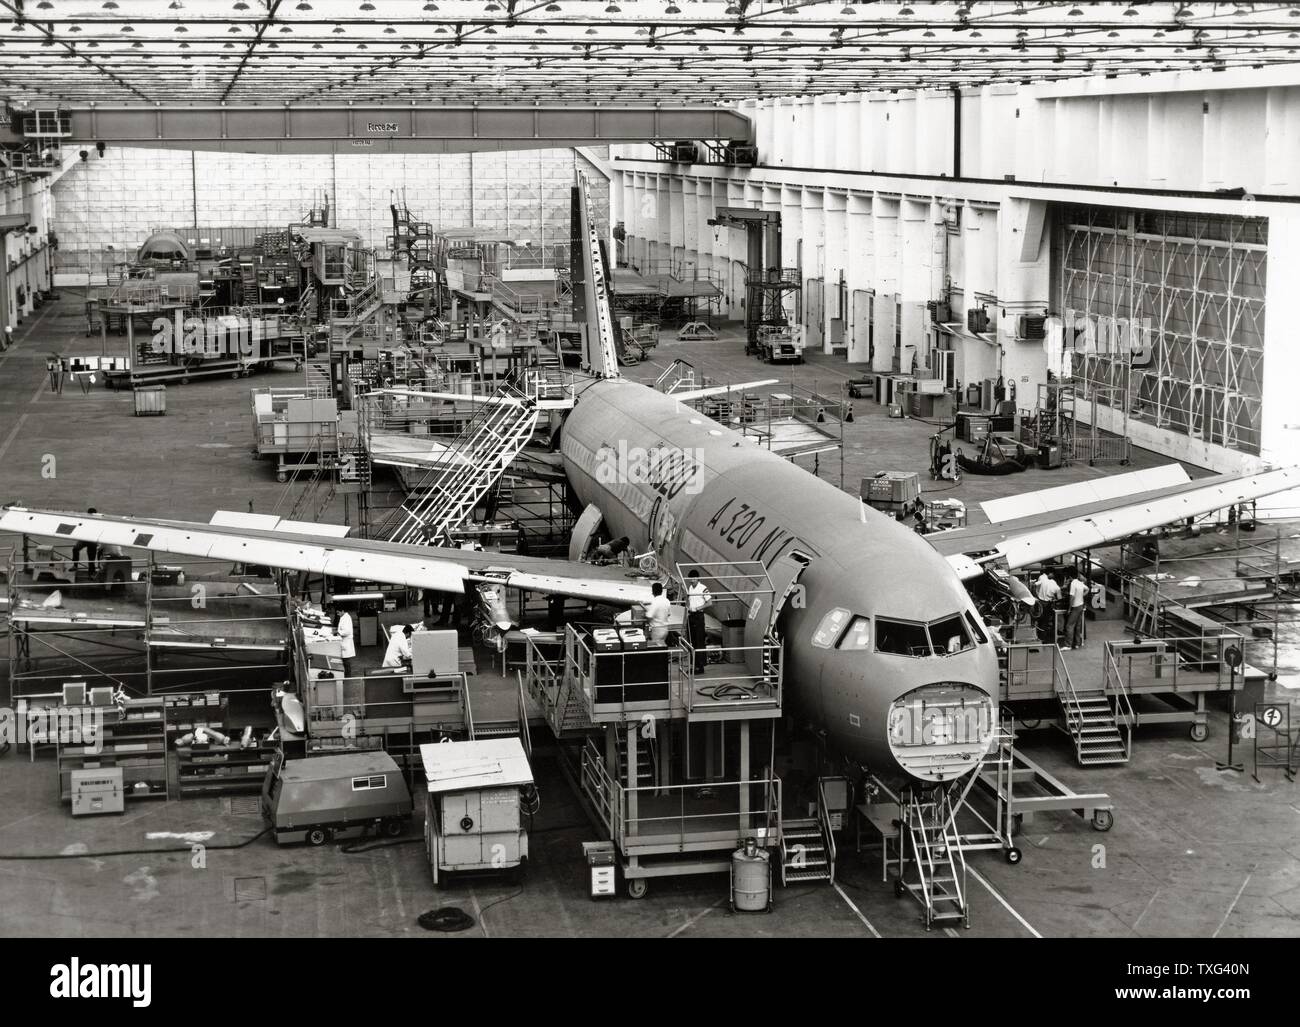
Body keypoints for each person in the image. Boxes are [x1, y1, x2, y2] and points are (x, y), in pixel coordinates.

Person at [684, 570, 712, 673]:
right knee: (692, 641)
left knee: (699, 640)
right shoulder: (690, 588)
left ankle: (700, 666)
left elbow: (710, 603)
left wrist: (698, 607)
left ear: (698, 578)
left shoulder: (703, 588)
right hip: (691, 615)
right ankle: (694, 664)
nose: (692, 581)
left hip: (699, 615)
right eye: (690, 579)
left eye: (694, 578)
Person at [1064, 569, 1089, 651]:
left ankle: (1068, 645)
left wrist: (1069, 608)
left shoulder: (1073, 584)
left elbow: (1072, 597)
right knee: (1077, 626)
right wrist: (1082, 596)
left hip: (1075, 607)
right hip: (1081, 605)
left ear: (1070, 576)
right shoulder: (1079, 583)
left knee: (1069, 625)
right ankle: (1077, 643)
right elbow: (1087, 589)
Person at [1034, 568, 1061, 644]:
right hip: (1047, 604)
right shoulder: (1055, 585)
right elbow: (1059, 598)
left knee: (1039, 620)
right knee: (1045, 622)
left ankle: (1039, 636)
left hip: (1039, 602)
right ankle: (1043, 638)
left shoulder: (1043, 580)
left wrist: (1036, 595)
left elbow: (1034, 585)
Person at [71, 507, 99, 577]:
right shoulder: (93, 520)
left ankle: (77, 566)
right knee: (76, 550)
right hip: (87, 539)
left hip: (90, 540)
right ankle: (89, 572)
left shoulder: (93, 520)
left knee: (90, 557)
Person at [643, 581, 672, 646]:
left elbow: (649, 616)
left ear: (653, 592)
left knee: (656, 648)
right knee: (662, 646)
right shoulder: (667, 600)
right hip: (665, 629)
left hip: (657, 629)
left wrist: (645, 615)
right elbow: (669, 614)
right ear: (661, 591)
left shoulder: (655, 601)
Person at [332, 604, 356, 678]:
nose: (338, 614)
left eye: (338, 612)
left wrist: (338, 632)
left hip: (346, 642)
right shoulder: (343, 617)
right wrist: (337, 630)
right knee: (345, 661)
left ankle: (348, 677)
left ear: (343, 611)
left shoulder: (347, 618)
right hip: (344, 641)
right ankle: (346, 676)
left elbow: (347, 631)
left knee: (346, 661)